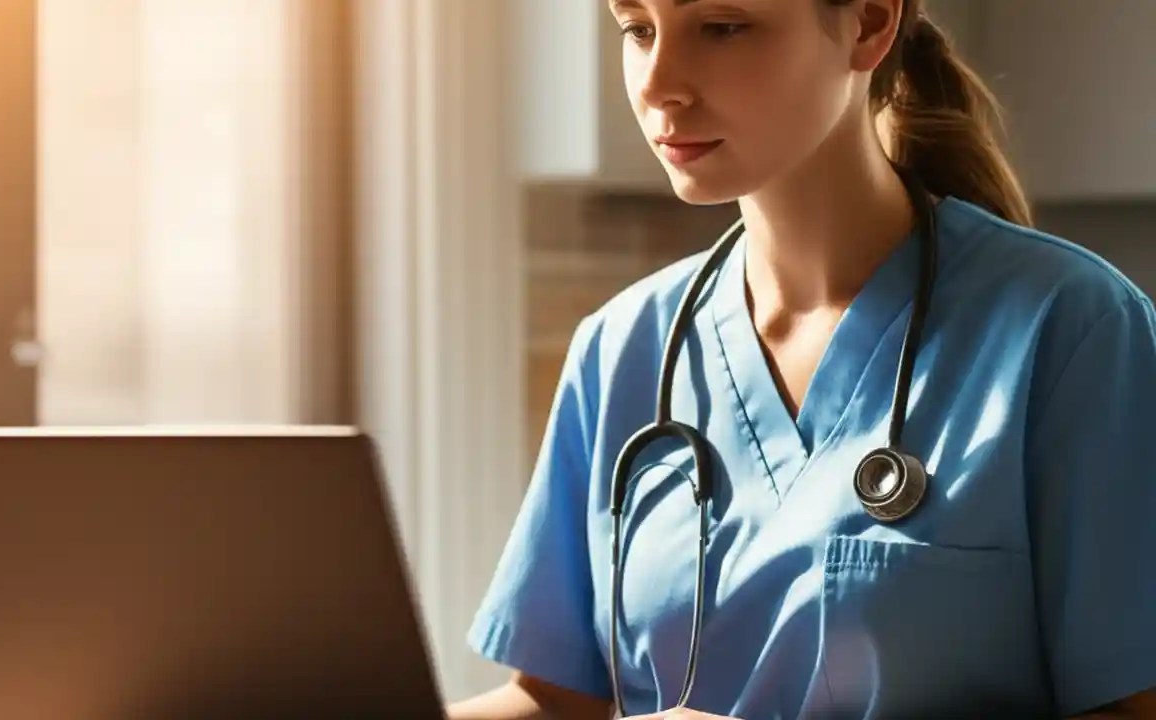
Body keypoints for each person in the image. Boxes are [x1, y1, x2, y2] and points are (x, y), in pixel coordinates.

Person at [448, 0, 1156, 718]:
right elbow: (556, 702)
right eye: (638, 29)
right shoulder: (622, 346)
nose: (658, 83)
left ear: (870, 24)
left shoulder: (1074, 330)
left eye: (722, 28)